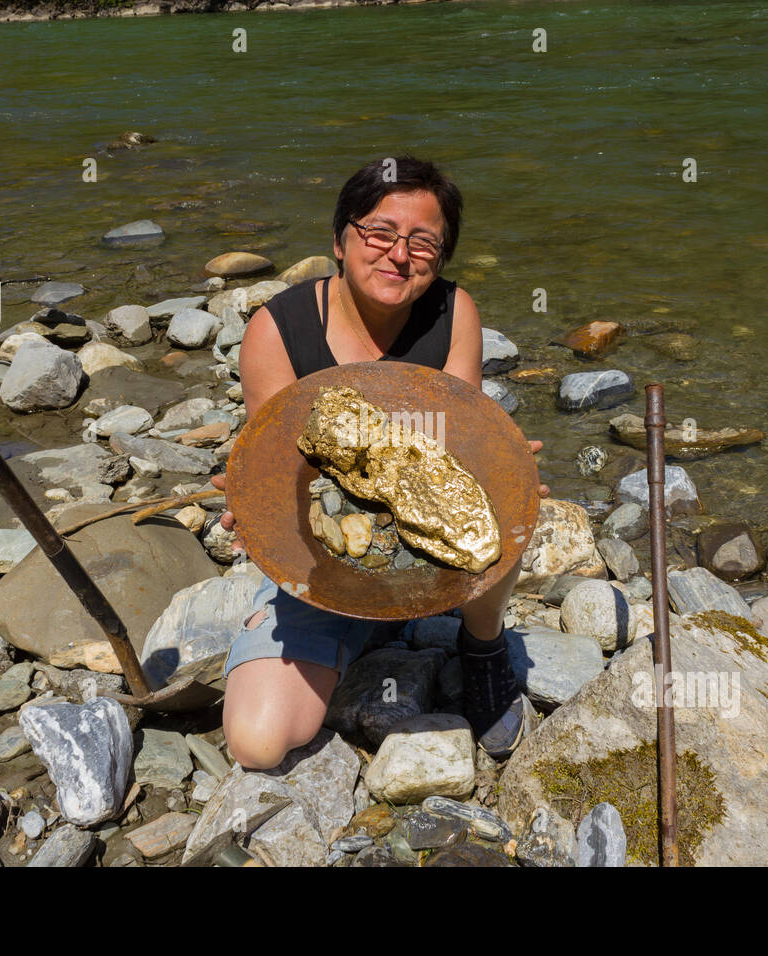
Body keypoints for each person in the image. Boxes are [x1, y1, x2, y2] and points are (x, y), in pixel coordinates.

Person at [207, 155, 549, 773]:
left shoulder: (453, 313)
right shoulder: (278, 330)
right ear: (340, 240)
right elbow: (281, 473)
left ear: (441, 257)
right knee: (257, 744)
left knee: (511, 496)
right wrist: (251, 504)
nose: (399, 255)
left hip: (424, 546)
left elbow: (453, 443)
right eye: (380, 232)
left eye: (424, 242)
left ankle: (481, 643)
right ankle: (352, 628)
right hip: (323, 557)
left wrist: (499, 464)